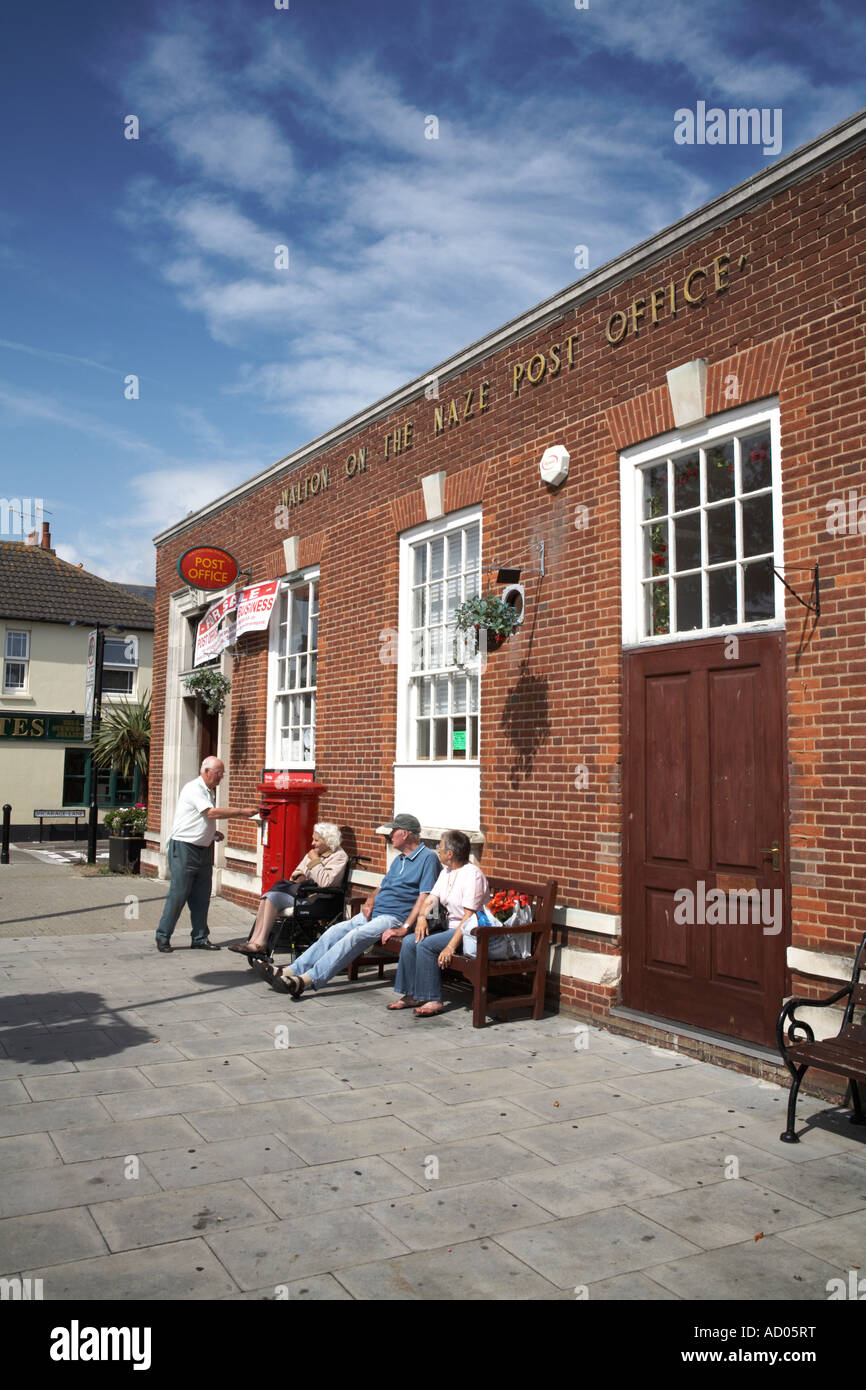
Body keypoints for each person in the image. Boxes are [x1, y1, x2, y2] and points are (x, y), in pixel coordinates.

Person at [262, 813, 439, 997]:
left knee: (355, 936)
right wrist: (370, 900)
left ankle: (308, 980)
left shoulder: (428, 858)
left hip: (394, 917)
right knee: (334, 932)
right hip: (375, 913)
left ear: (405, 834)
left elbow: (425, 897)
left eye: (393, 831)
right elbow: (381, 886)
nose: (390, 835)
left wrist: (405, 927)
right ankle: (290, 971)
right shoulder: (399, 859)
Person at [154, 757, 260, 952]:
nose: (221, 777)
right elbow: (210, 813)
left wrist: (212, 833)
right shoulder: (194, 788)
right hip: (184, 847)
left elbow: (198, 818)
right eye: (219, 773)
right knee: (178, 894)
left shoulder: (208, 790)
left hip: (203, 848)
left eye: (222, 773)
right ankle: (163, 936)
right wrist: (241, 811)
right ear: (206, 771)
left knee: (202, 896)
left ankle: (200, 937)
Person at [386, 829, 488, 1017]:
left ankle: (433, 998)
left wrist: (450, 947)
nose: (436, 849)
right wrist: (422, 918)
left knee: (426, 945)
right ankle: (410, 995)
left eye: (439, 846)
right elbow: (431, 898)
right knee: (411, 941)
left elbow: (468, 918)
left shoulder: (472, 875)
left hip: (469, 931)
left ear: (450, 854)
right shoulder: (447, 872)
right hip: (449, 926)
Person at [229, 823, 348, 957]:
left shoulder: (339, 856)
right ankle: (253, 941)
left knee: (272, 898)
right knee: (268, 896)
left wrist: (314, 861)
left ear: (328, 841)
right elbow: (296, 871)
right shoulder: (314, 853)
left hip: (319, 900)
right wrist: (299, 876)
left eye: (316, 840)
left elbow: (325, 882)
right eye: (313, 839)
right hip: (302, 894)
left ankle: (261, 943)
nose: (312, 843)